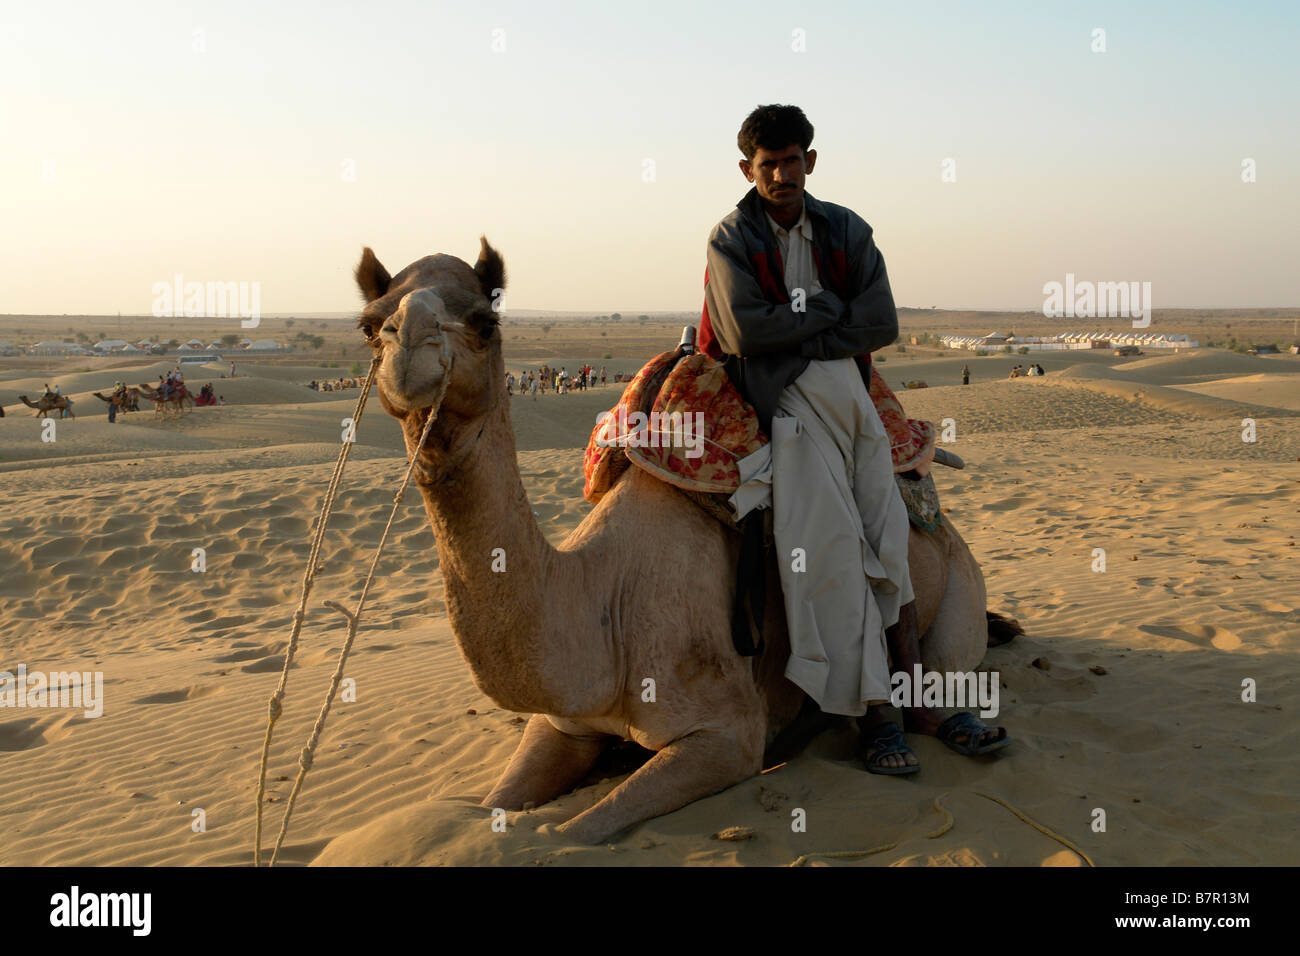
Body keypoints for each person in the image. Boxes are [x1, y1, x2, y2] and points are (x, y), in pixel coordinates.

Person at [700, 104, 1006, 773]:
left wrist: (802, 323)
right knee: (831, 555)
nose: (782, 174)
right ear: (747, 170)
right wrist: (827, 312)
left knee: (887, 540)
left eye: (792, 160)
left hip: (852, 398)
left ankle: (915, 694)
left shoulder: (847, 230)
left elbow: (879, 322)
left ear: (811, 161)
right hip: (781, 403)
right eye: (767, 163)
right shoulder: (731, 240)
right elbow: (745, 335)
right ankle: (875, 716)